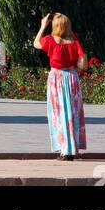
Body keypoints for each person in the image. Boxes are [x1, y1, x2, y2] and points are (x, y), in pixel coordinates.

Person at [34, 11, 87, 159]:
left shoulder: (50, 41)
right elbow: (81, 58)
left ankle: (65, 150)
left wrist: (43, 26)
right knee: (73, 114)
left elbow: (36, 43)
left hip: (57, 79)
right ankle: (73, 148)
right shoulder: (74, 40)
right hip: (72, 78)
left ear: (55, 26)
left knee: (60, 114)